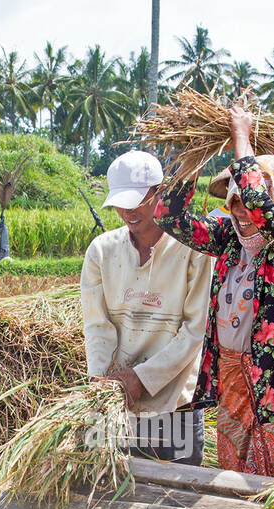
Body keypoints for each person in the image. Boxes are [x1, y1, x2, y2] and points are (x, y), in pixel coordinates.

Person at [155, 106, 274, 478]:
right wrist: (195, 157)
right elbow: (168, 215)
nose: (242, 212)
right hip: (231, 377)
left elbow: (262, 209)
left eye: (247, 201)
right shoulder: (229, 239)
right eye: (234, 202)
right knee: (232, 481)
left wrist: (241, 136)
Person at [80, 150, 213, 466]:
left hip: (174, 401)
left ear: (159, 192)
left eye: (137, 200)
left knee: (175, 500)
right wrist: (101, 382)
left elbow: (196, 330)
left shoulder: (193, 250)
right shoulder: (102, 251)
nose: (127, 211)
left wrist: (142, 377)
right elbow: (98, 326)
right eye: (120, 203)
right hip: (118, 399)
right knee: (108, 494)